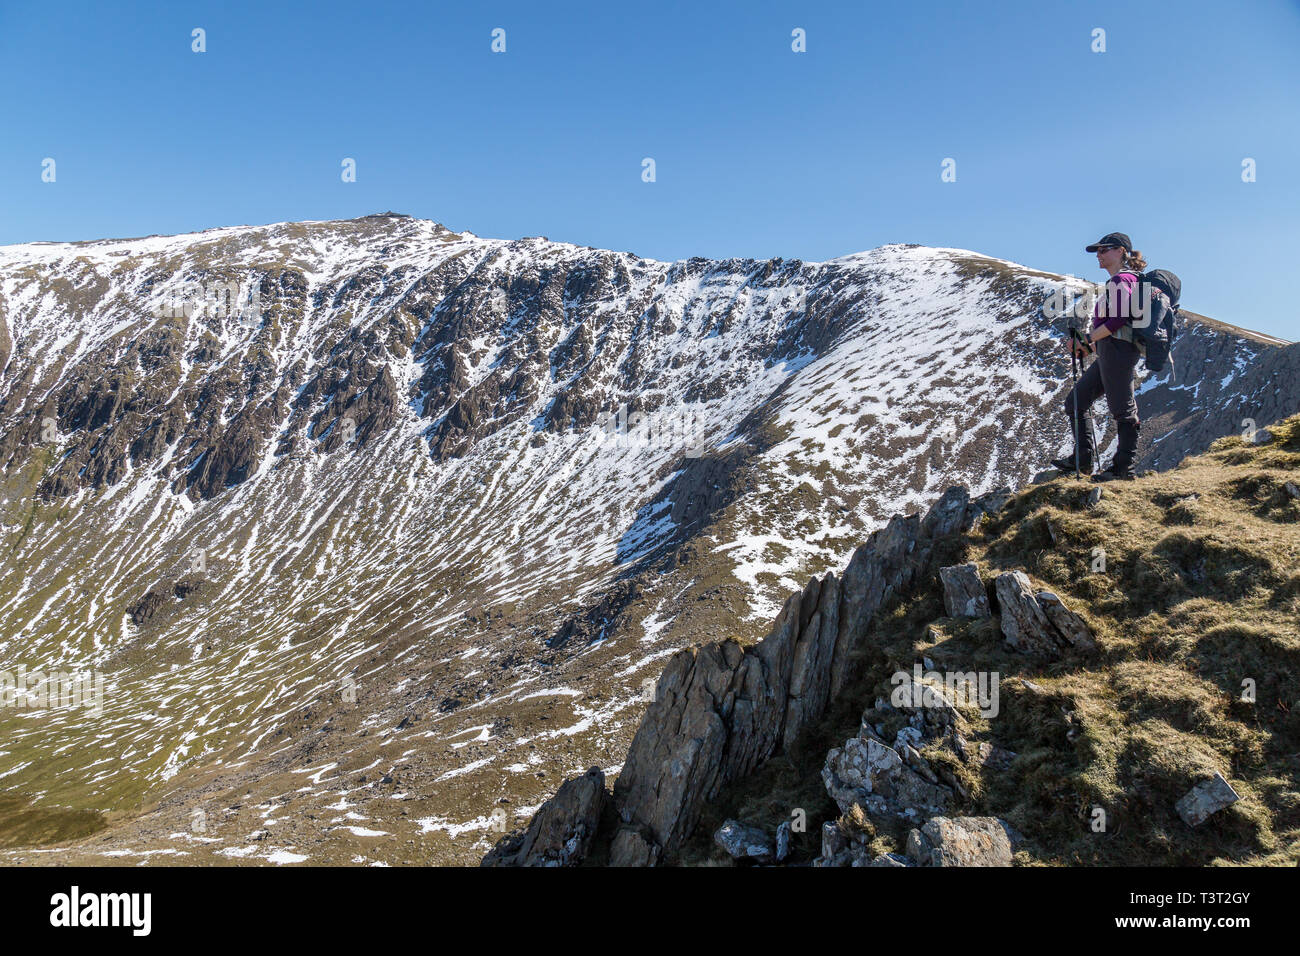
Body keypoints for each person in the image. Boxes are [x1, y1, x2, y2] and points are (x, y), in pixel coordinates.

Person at [1051, 231, 1146, 482]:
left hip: (1118, 351)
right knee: (1076, 400)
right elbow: (1120, 324)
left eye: (1104, 250)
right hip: (1113, 349)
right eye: (1098, 251)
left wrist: (1088, 340)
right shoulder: (1127, 280)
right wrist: (1090, 346)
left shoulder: (1120, 281)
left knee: (1122, 409)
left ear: (1121, 252)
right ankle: (1082, 460)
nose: (1099, 256)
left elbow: (1118, 320)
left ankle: (1124, 468)